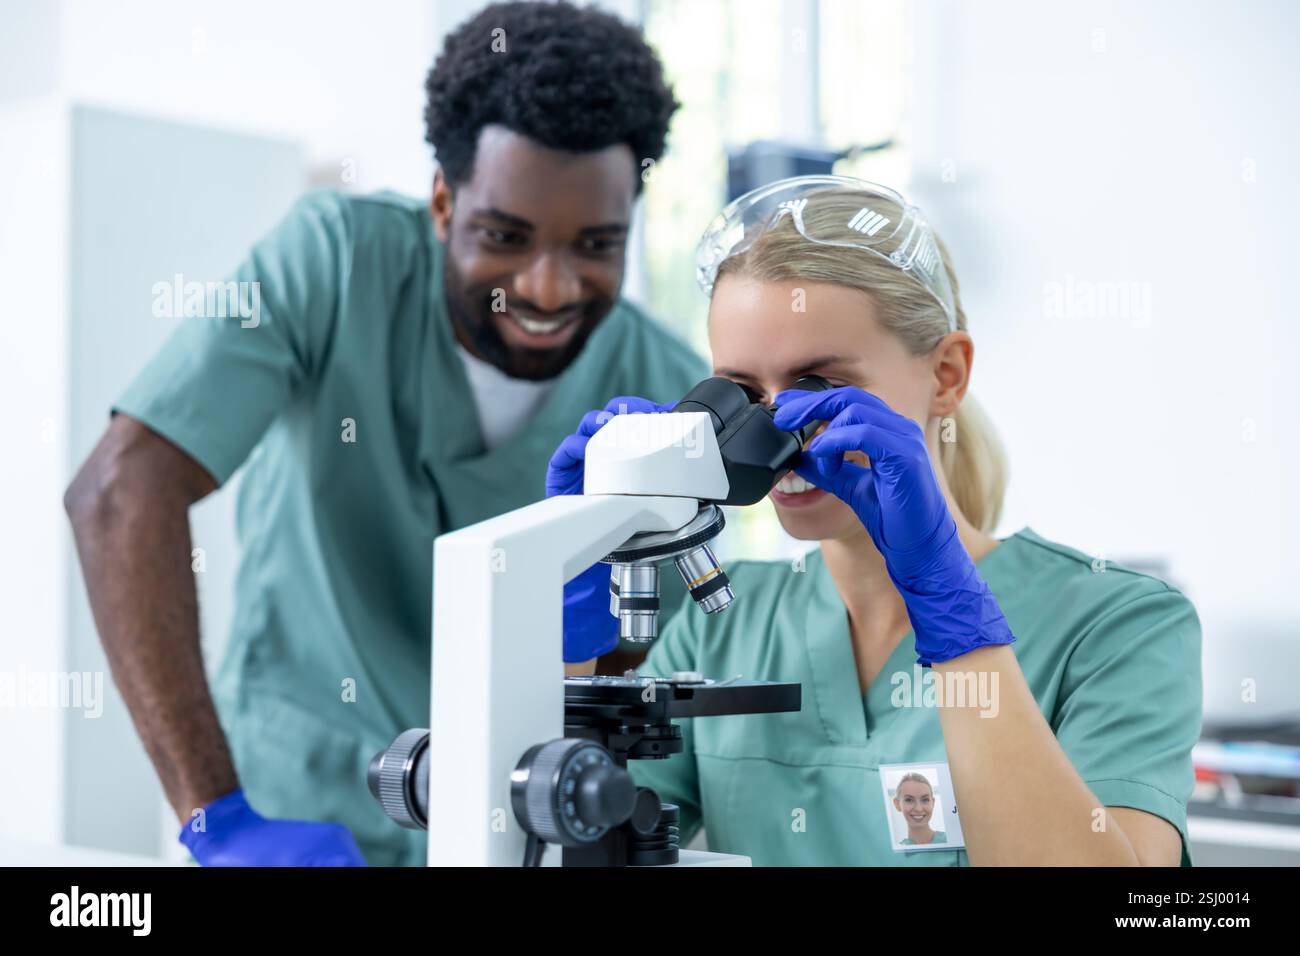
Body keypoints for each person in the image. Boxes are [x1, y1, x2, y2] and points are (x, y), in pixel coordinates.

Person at [63, 1, 707, 867]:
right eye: (503, 236)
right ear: (443, 202)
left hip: (515, 835)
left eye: (597, 243)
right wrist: (217, 819)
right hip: (292, 809)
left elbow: (629, 676)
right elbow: (119, 491)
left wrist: (591, 642)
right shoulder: (333, 262)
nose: (550, 288)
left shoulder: (659, 385)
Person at [547, 176, 1202, 866]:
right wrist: (559, 633)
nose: (770, 435)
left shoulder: (1120, 625)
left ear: (946, 375)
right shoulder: (730, 626)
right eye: (739, 394)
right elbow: (573, 844)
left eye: (819, 388)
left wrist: (952, 610)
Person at [892, 773, 948, 847]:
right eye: (909, 800)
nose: (918, 809)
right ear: (897, 804)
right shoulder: (898, 851)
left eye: (925, 800)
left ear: (933, 803)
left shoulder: (951, 840)